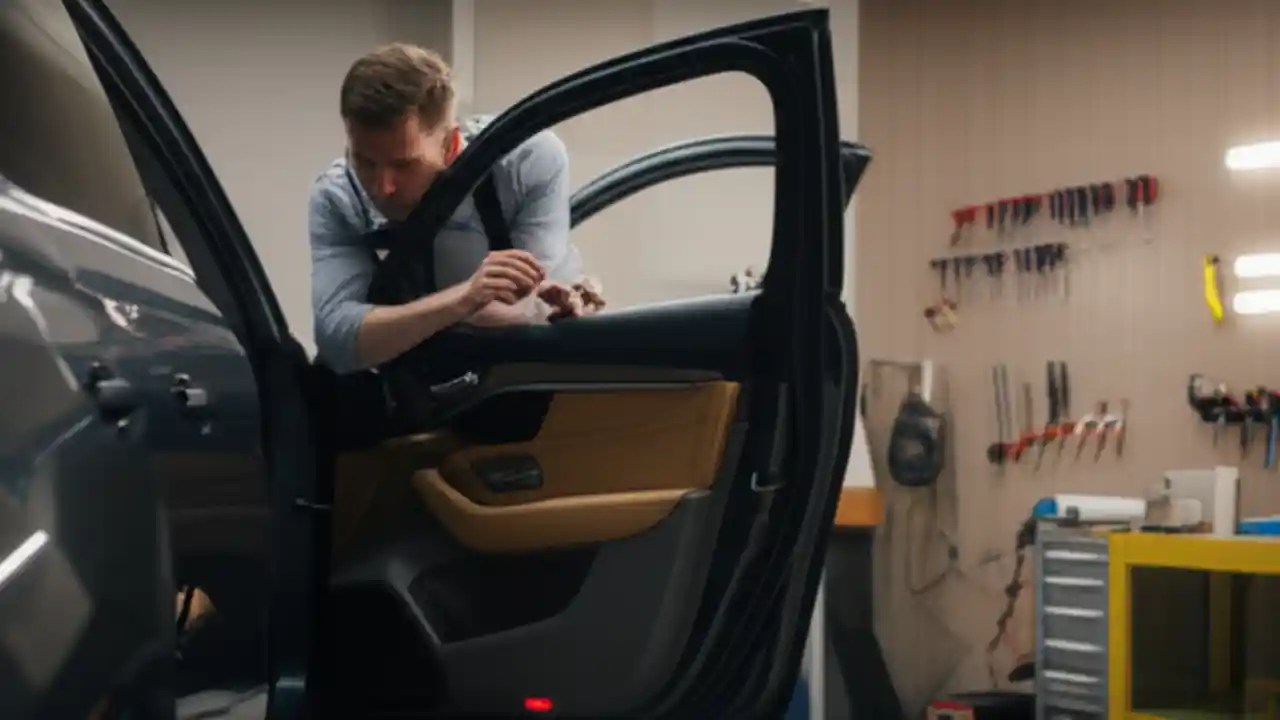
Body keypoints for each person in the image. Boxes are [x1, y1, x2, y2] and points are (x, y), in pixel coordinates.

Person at [308, 43, 600, 374]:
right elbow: (339, 342)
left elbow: (530, 303)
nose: (381, 186)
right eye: (363, 160)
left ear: (449, 144)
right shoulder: (337, 197)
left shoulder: (526, 160)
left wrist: (546, 303)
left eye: (404, 165)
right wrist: (466, 297)